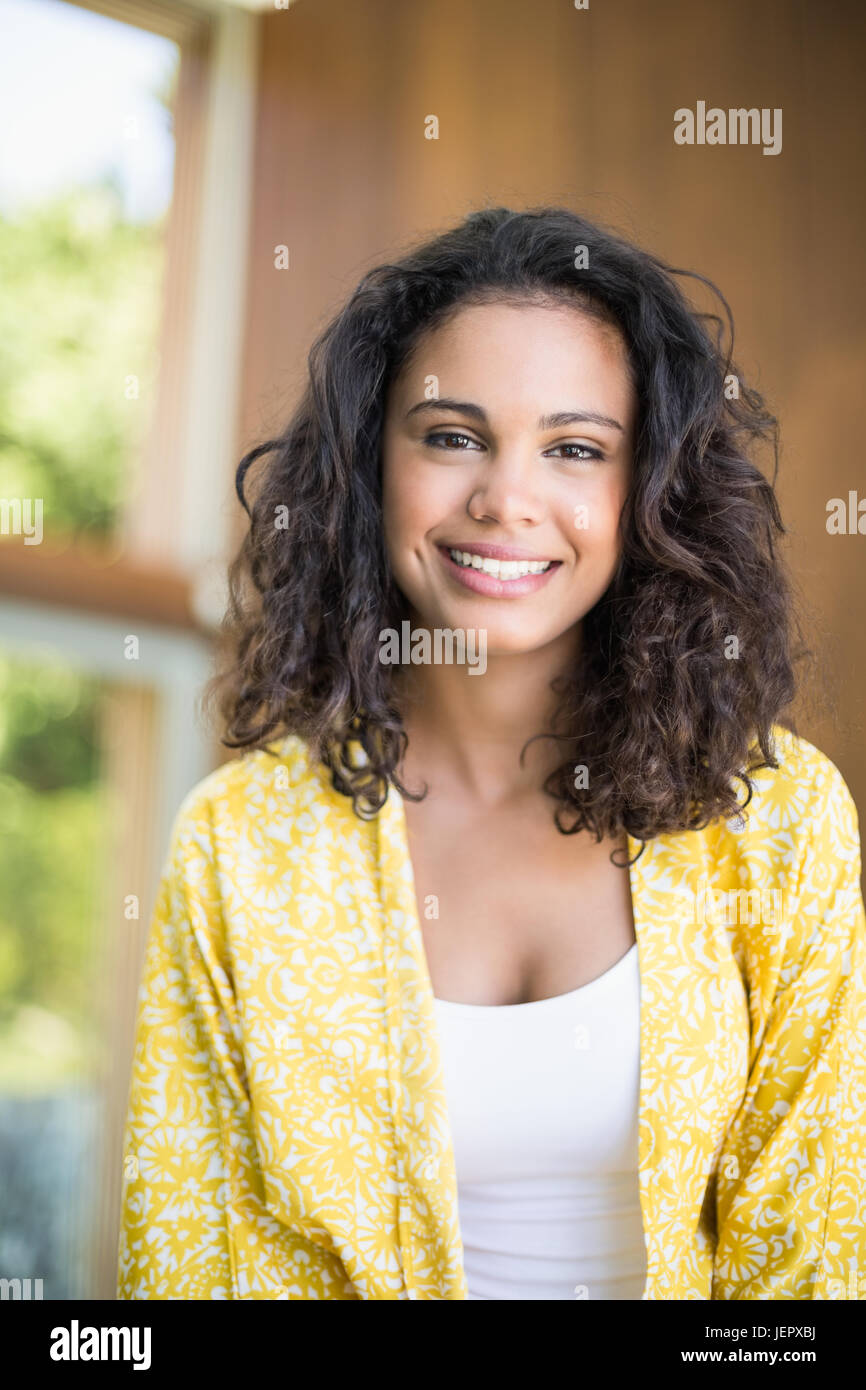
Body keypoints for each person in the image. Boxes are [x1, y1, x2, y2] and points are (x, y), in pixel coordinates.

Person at [117, 206, 866, 1300]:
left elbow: (818, 1261)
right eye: (452, 435)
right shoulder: (238, 844)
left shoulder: (777, 821)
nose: (505, 499)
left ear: (646, 488)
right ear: (371, 463)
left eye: (574, 448)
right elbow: (186, 1264)